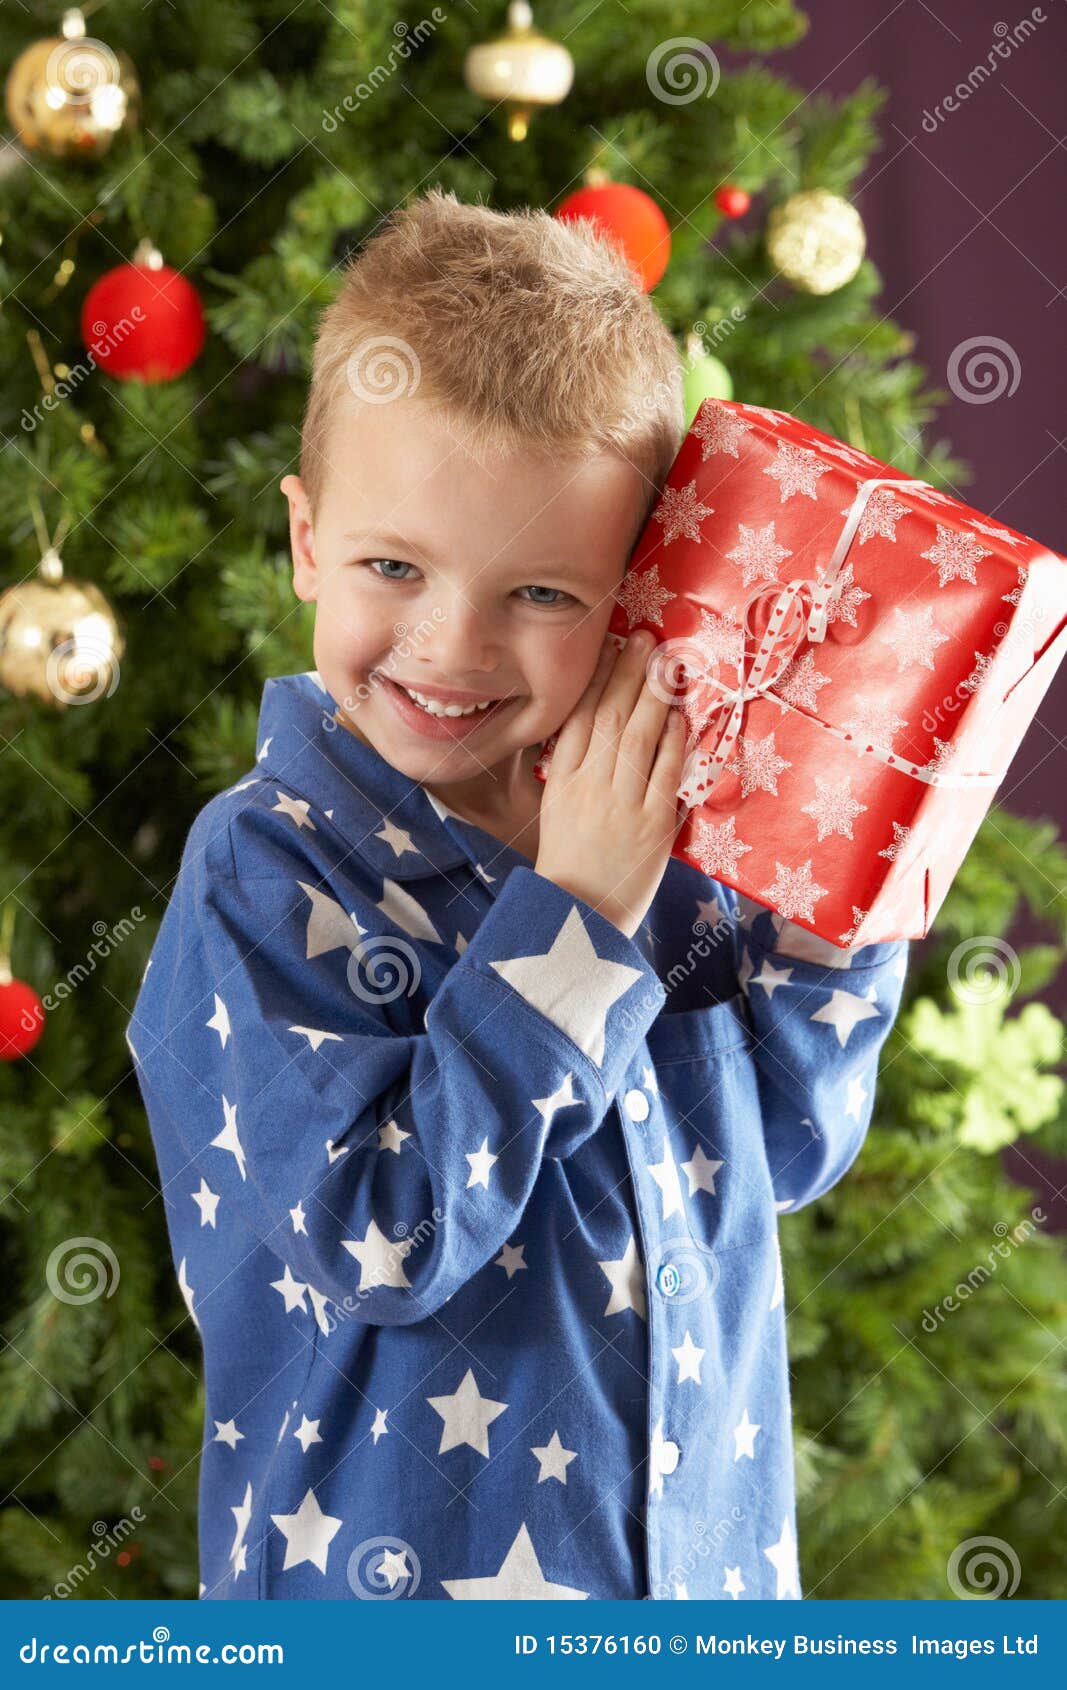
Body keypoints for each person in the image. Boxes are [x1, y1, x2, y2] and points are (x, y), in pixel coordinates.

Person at [127, 189, 909, 1601]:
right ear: (307, 542)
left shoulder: (668, 832)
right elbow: (388, 1230)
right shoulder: (265, 868)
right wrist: (576, 926)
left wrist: (850, 905)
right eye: (390, 567)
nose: (450, 642)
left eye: (541, 592)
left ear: (638, 590)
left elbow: (790, 1141)